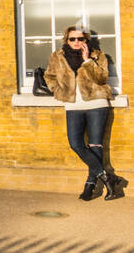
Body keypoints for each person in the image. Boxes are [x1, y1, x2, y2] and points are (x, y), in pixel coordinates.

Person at [44, 25, 126, 201]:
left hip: (96, 103)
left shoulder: (97, 55)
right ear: (66, 40)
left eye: (80, 39)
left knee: (95, 146)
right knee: (75, 144)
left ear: (85, 41)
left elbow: (102, 78)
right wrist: (57, 90)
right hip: (73, 106)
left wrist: (87, 60)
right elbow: (49, 77)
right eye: (72, 39)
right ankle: (109, 178)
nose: (76, 42)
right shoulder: (57, 57)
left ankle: (90, 185)